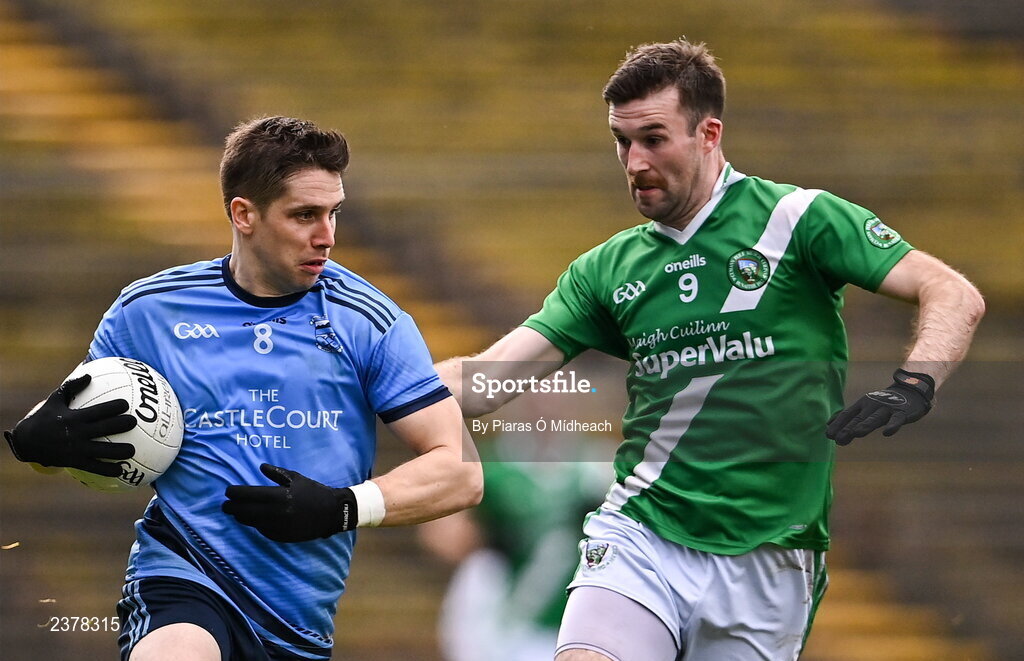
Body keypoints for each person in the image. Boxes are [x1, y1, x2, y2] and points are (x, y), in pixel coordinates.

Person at [435, 39, 985, 661]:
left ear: (708, 133)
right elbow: (487, 381)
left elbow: (951, 292)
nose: (634, 160)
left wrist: (916, 382)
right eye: (622, 141)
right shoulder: (606, 269)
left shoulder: (797, 219)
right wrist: (359, 387)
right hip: (643, 535)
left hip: (772, 560)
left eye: (653, 138)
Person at [4, 116, 483, 661]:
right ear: (243, 214)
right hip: (183, 573)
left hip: (295, 624)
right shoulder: (149, 311)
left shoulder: (368, 321)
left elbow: (461, 474)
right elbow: (78, 431)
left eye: (333, 213)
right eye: (304, 215)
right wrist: (39, 446)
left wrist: (342, 507)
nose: (326, 235)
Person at [418, 421, 611, 661]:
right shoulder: (494, 468)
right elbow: (441, 535)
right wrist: (498, 534)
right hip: (510, 615)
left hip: (572, 621)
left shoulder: (598, 468)